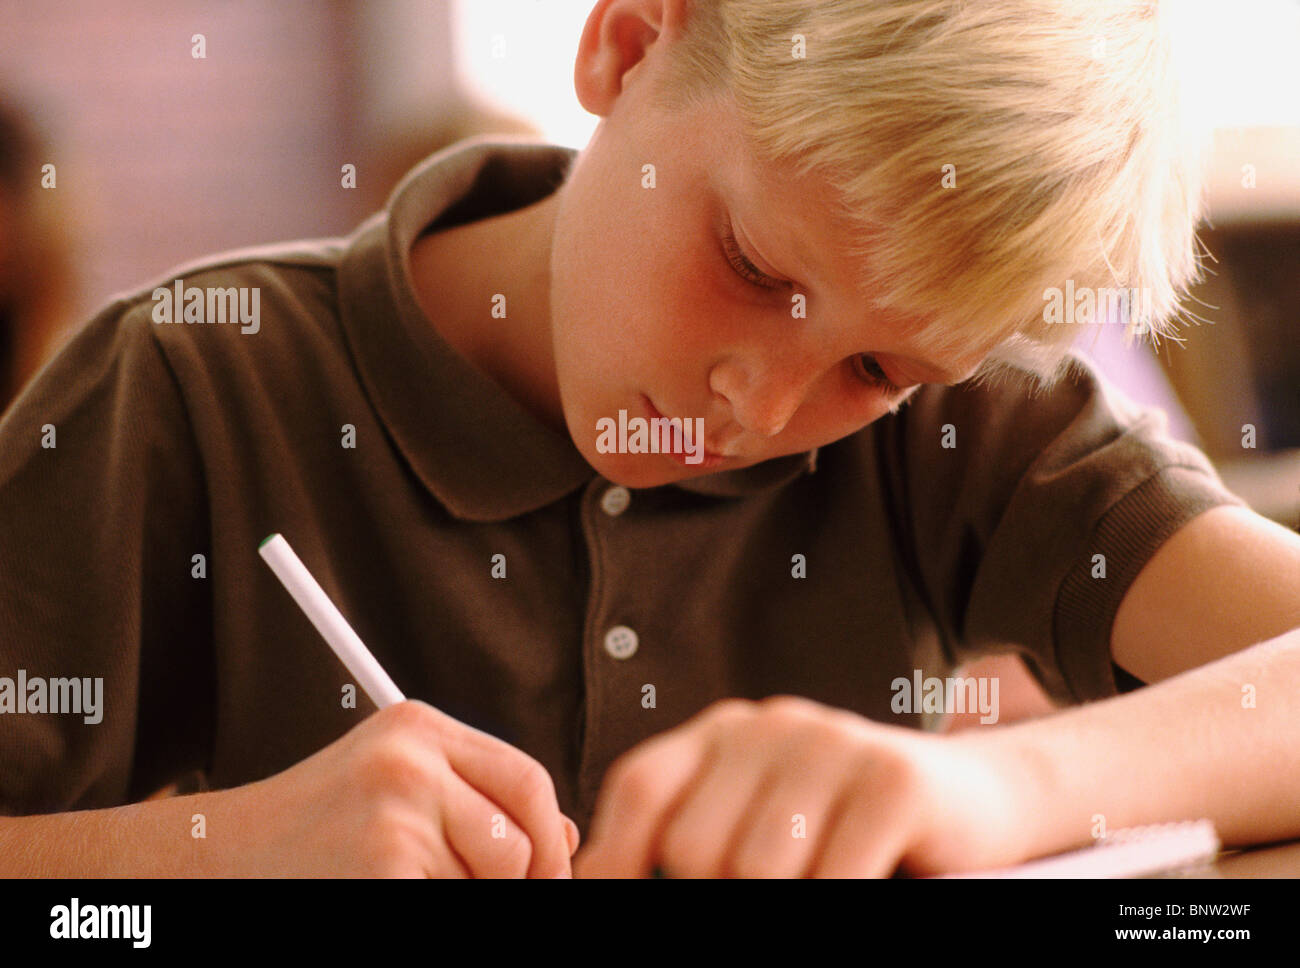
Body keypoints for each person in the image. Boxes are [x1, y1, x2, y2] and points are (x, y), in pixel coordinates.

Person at [2, 0, 1298, 878]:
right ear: (626, 45)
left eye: (870, 368)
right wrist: (221, 853)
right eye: (748, 264)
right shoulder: (191, 384)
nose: (759, 404)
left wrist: (995, 795)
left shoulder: (969, 419)